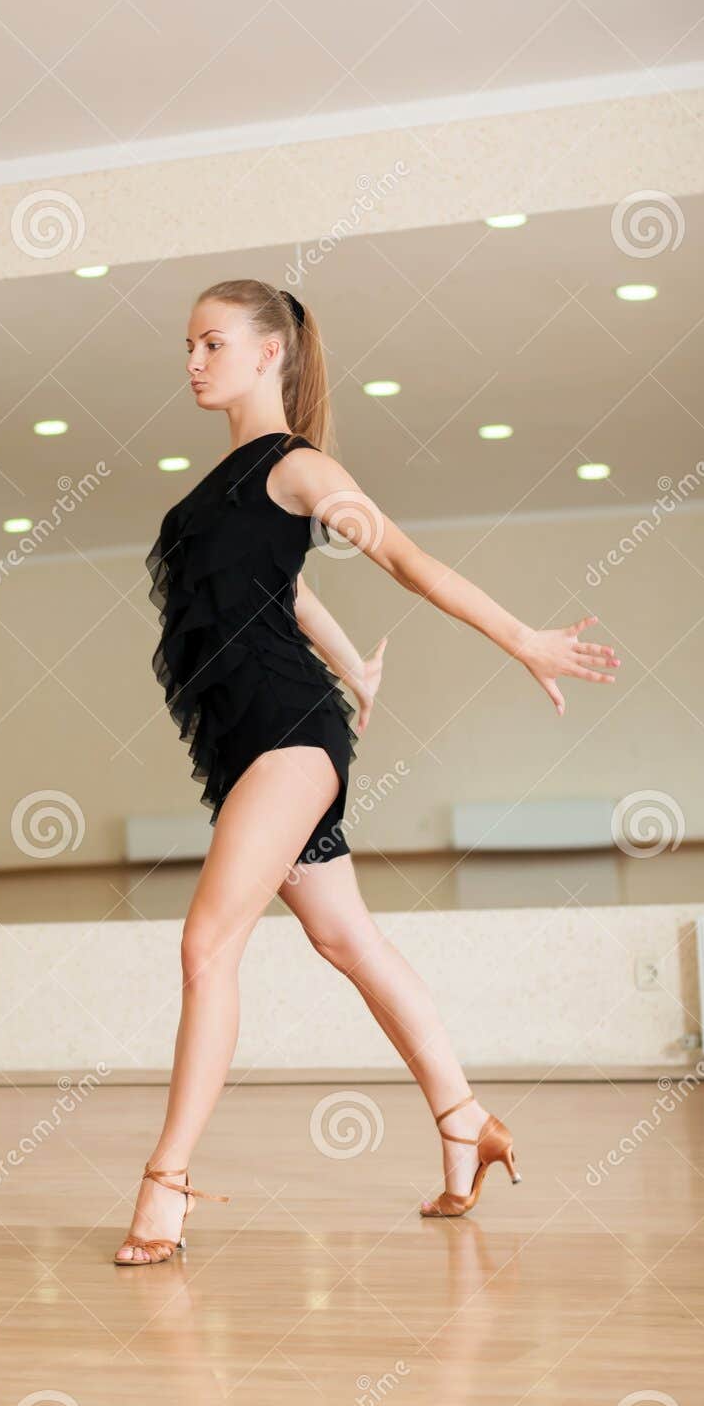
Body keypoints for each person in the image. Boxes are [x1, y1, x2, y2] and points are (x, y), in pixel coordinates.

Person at [114, 278, 620, 1264]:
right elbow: (283, 590)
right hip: (247, 737)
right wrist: (355, 663)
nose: (191, 361)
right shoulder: (225, 490)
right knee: (347, 941)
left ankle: (165, 1180)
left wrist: (521, 638)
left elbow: (407, 561)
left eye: (210, 342)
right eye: (184, 345)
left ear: (268, 354)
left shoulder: (300, 468)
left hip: (287, 734)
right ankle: (466, 1122)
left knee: (206, 947)